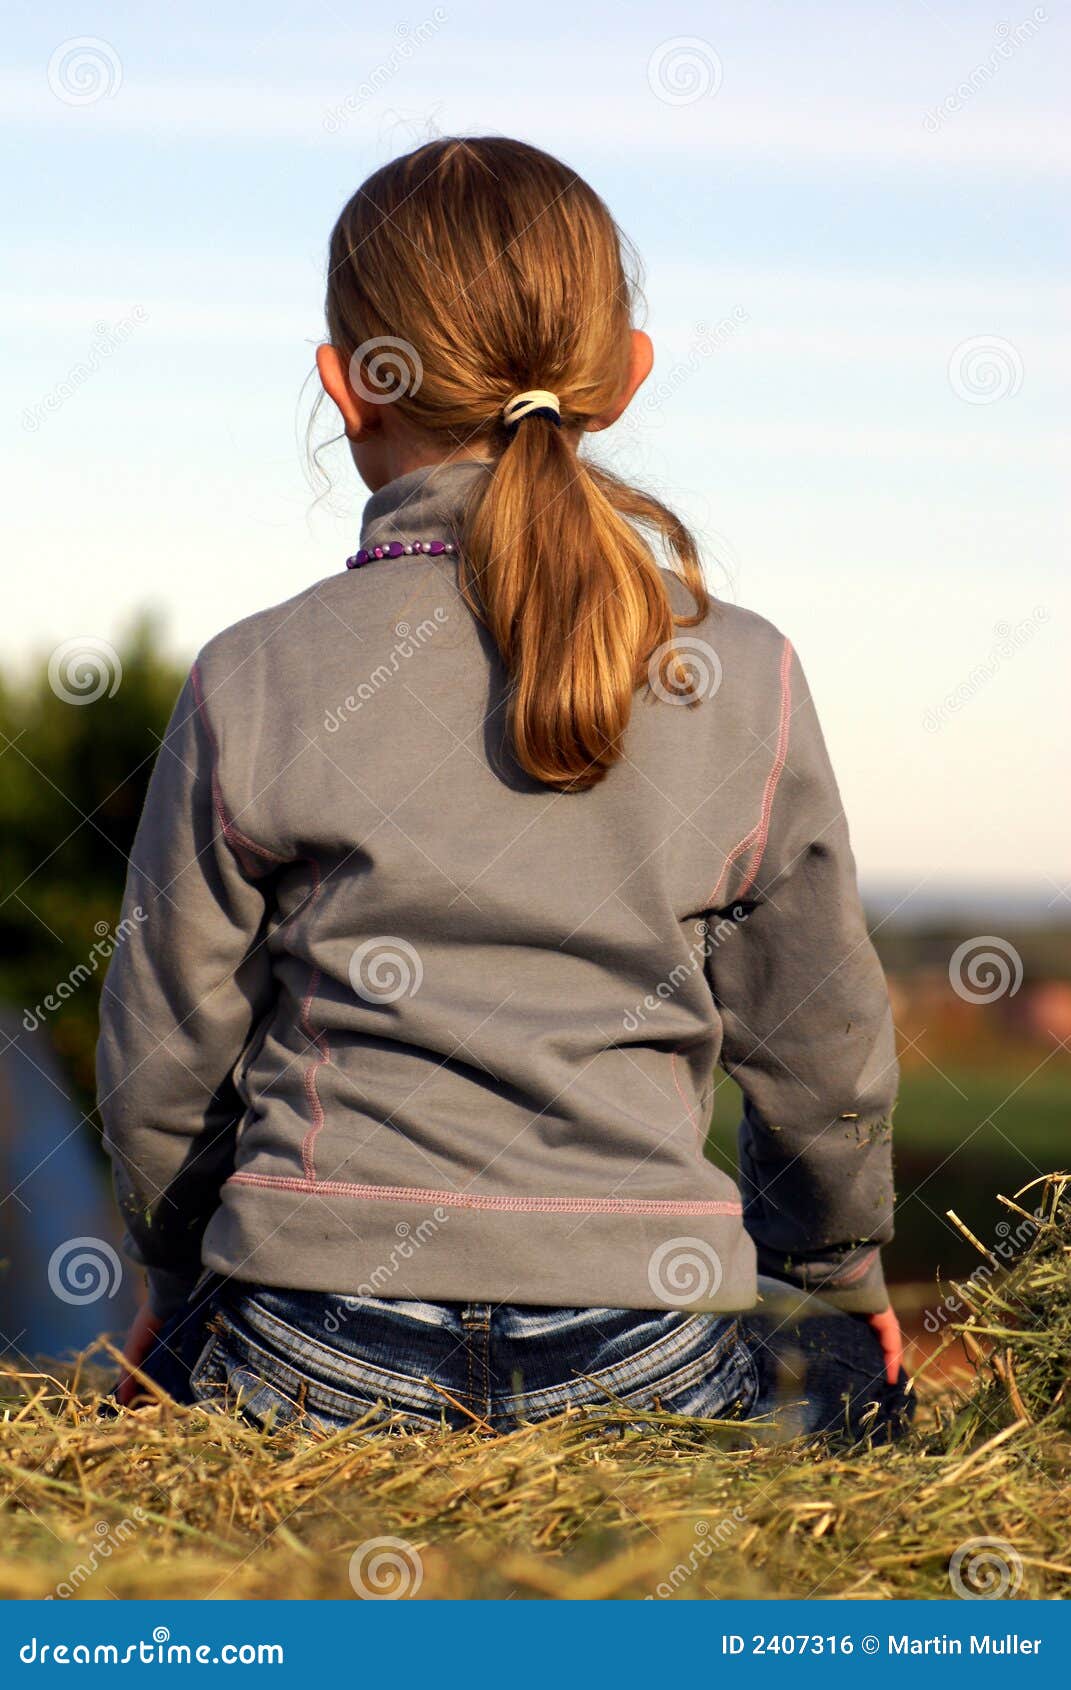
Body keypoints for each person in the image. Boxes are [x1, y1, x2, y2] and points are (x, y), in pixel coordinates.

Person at [99, 136, 909, 1441]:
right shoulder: (745, 674)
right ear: (625, 376)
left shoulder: (252, 673)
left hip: (313, 1336)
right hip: (646, 1341)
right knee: (843, 1410)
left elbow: (163, 1056)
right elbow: (821, 1041)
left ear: (346, 388)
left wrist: (181, 1281)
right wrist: (837, 1273)